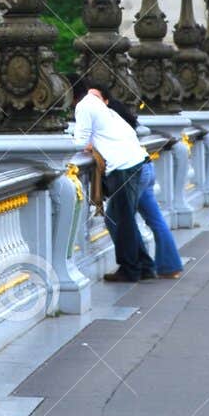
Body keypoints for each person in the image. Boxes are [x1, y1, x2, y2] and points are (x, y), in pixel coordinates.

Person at [72, 77, 154, 283]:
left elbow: (79, 142)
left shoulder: (83, 106)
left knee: (121, 221)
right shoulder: (98, 104)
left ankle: (130, 269)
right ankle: (144, 265)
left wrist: (87, 145)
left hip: (123, 167)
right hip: (134, 161)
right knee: (120, 219)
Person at [104, 91, 184, 278]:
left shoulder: (107, 114)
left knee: (118, 219)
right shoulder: (117, 111)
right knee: (152, 219)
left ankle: (135, 265)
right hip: (146, 166)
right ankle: (167, 266)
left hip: (133, 171)